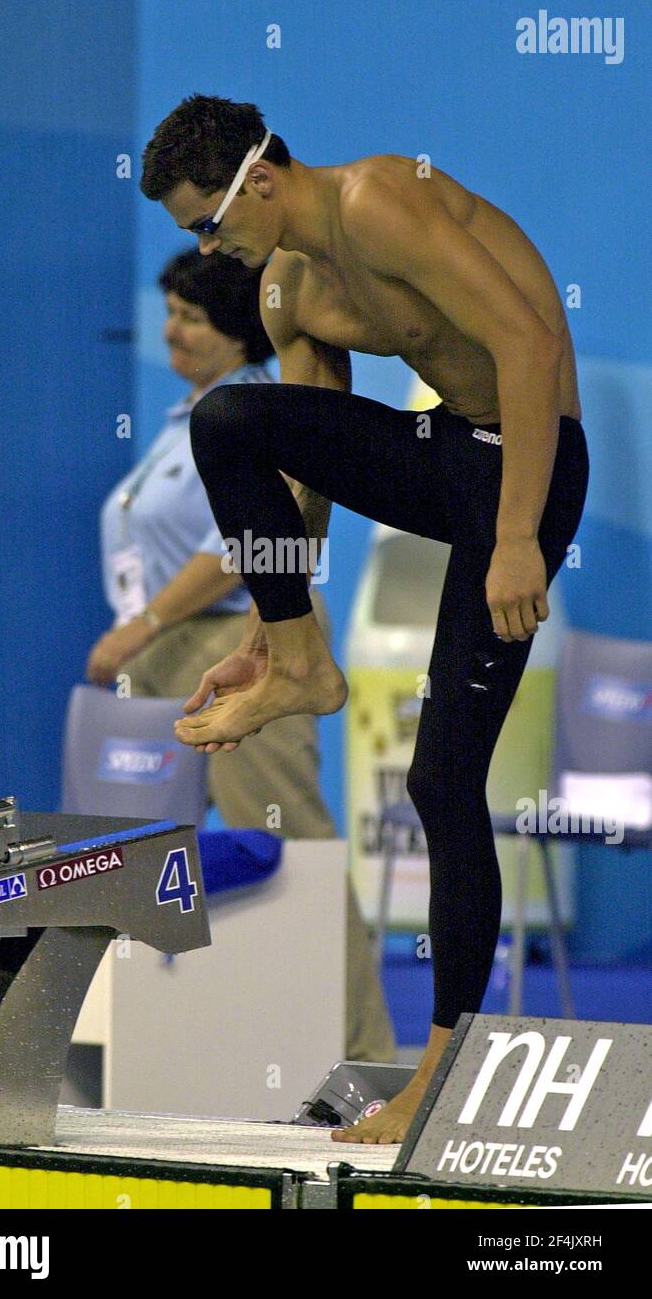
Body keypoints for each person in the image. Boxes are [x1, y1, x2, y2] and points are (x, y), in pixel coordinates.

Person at [139, 94, 590, 1145]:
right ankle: (304, 670)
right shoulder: (284, 285)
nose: (211, 247)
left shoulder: (380, 199)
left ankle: (438, 1073)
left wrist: (518, 537)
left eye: (209, 222)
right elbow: (303, 470)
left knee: (441, 780)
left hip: (528, 462)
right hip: (443, 454)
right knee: (232, 419)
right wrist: (271, 627)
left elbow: (526, 346)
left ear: (257, 177)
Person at [86, 245, 397, 1065]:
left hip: (247, 634)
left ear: (235, 333)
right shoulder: (182, 418)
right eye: (171, 315)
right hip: (177, 653)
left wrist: (143, 624)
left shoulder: (251, 410)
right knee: (159, 855)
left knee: (294, 842)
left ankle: (364, 1051)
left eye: (190, 318)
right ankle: (195, 1053)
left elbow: (243, 546)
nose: (171, 332)